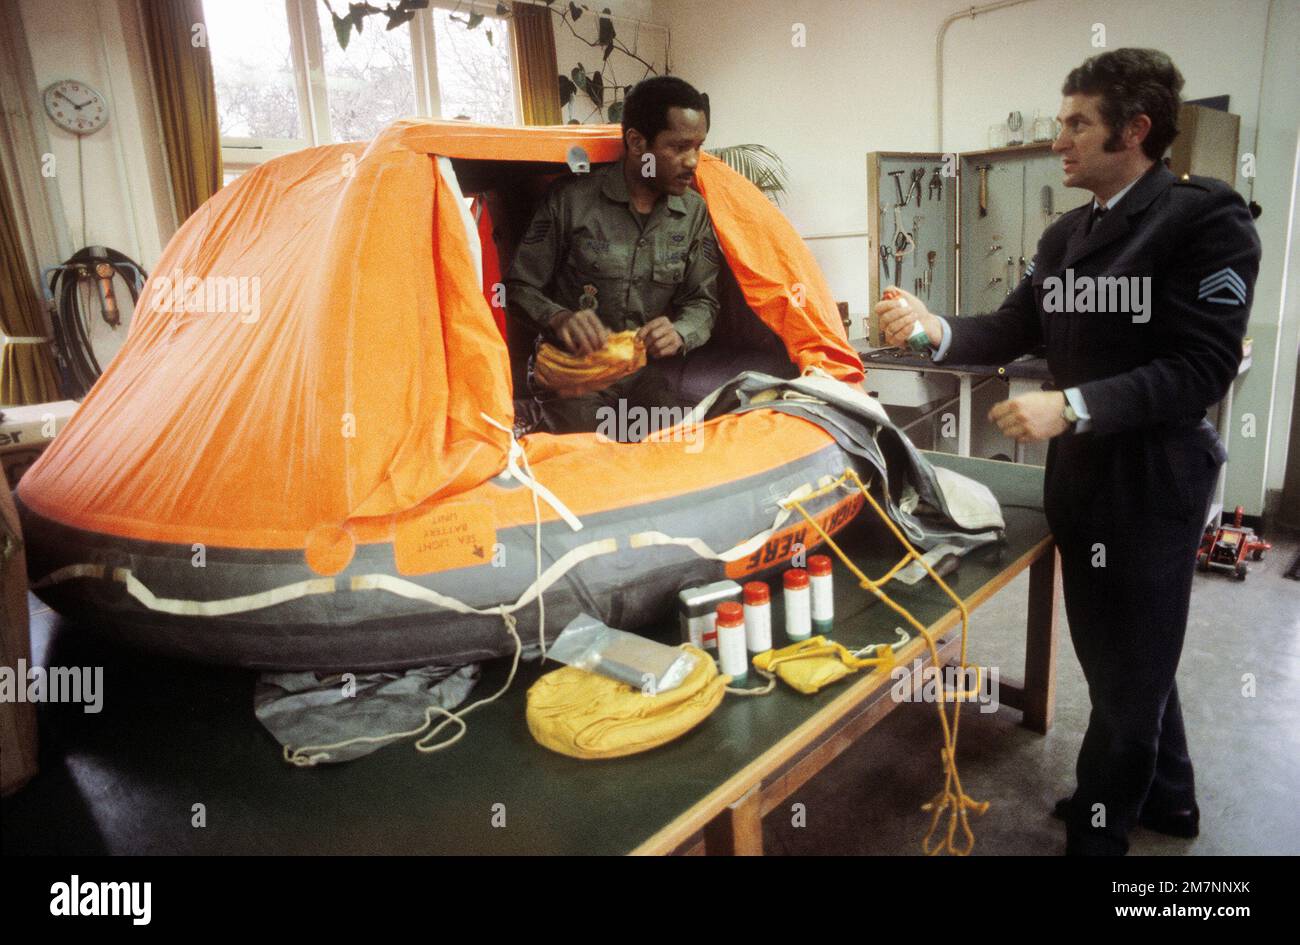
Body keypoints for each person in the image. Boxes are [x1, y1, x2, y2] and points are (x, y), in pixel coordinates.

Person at [875, 48, 1260, 855]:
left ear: (1136, 130)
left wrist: (1075, 404)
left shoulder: (1201, 219)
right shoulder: (1065, 234)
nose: (1060, 140)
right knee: (1131, 659)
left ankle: (1100, 824)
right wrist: (931, 326)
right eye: (1061, 122)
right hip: (1083, 481)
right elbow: (1011, 328)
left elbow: (1200, 368)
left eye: (1078, 123)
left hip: (1153, 480)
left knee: (1127, 675)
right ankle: (1173, 801)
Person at [505, 75, 720, 436]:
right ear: (637, 142)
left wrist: (681, 331)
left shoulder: (693, 212)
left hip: (636, 373)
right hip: (574, 373)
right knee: (588, 445)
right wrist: (559, 318)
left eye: (698, 146)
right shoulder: (571, 201)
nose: (693, 161)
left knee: (679, 437)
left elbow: (703, 301)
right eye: (679, 147)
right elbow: (516, 288)